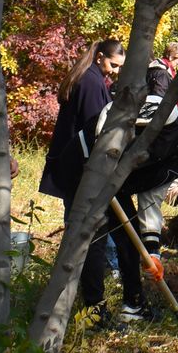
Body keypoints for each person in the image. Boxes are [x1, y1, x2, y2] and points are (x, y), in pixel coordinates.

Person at [89, 109, 178, 328]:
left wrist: (152, 251)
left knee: (129, 239)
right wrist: (102, 149)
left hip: (114, 186)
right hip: (88, 166)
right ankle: (92, 312)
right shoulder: (169, 114)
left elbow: (151, 202)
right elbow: (114, 109)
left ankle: (133, 305)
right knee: (92, 239)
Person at [39, 40, 124, 312]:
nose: (114, 72)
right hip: (78, 169)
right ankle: (71, 296)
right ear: (100, 57)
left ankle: (70, 292)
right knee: (81, 234)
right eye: (112, 64)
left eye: (120, 67)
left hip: (73, 166)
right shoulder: (90, 82)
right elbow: (94, 127)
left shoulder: (93, 78)